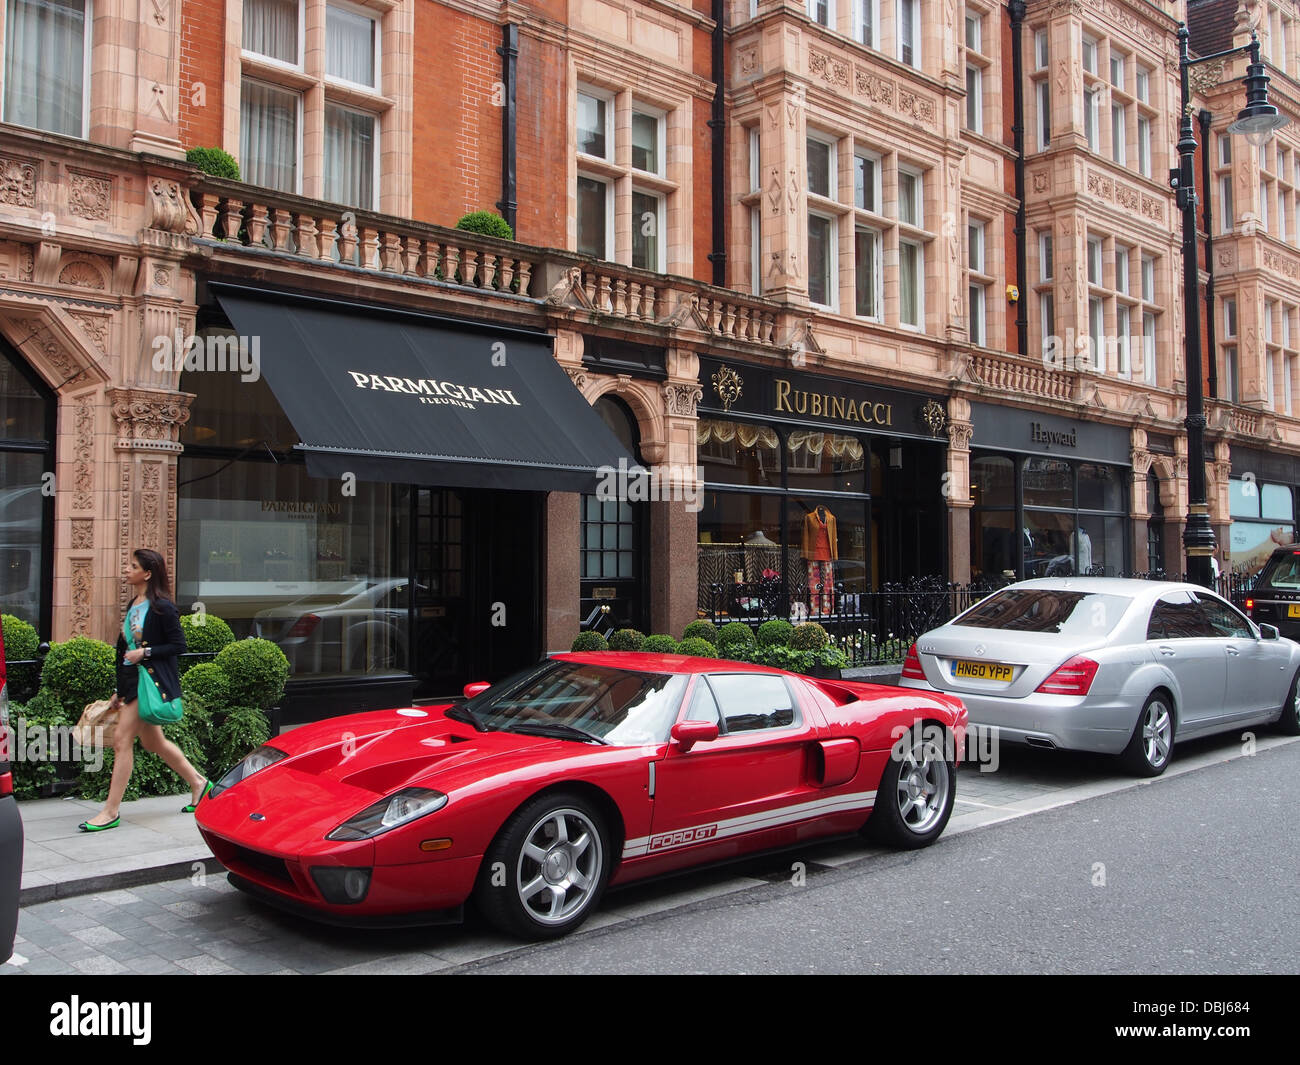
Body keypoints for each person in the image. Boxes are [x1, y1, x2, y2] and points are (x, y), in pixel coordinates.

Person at [78, 549, 208, 831]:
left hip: (149, 682)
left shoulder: (163, 607)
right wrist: (119, 689)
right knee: (153, 743)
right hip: (132, 682)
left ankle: (110, 812)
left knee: (122, 741)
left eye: (132, 566)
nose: (127, 569)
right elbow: (124, 650)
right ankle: (198, 782)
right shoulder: (133, 603)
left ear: (147, 574)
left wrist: (146, 652)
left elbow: (178, 646)